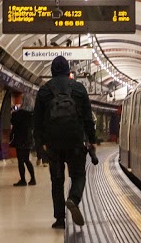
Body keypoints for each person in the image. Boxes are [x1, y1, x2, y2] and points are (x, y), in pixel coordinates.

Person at [34, 55, 95, 228]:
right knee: (78, 175)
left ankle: (60, 219)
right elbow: (88, 117)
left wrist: (41, 144)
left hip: (53, 143)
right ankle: (73, 199)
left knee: (57, 180)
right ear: (68, 71)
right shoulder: (79, 89)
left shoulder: (45, 90)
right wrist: (92, 139)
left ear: (52, 71)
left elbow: (37, 121)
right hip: (75, 139)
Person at [9, 95, 36, 186]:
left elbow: (13, 122)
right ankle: (33, 179)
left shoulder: (18, 113)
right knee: (27, 159)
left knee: (21, 160)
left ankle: (23, 180)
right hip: (28, 139)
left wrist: (13, 111)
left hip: (20, 139)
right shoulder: (32, 114)